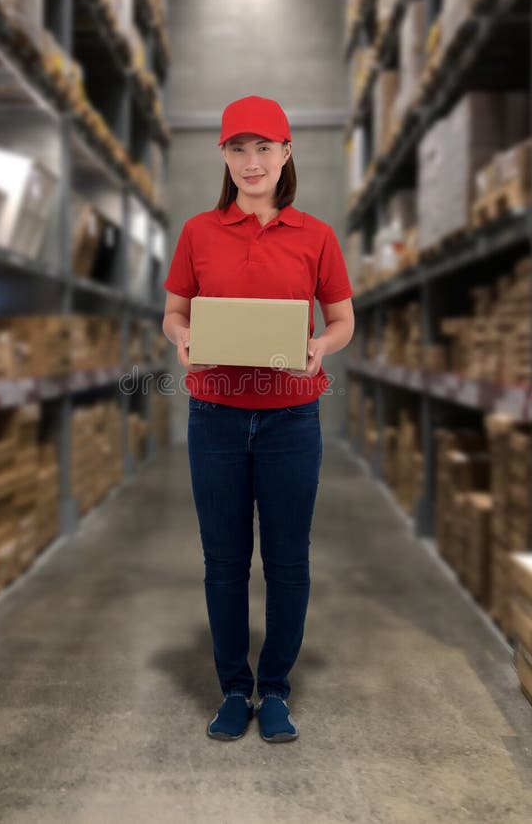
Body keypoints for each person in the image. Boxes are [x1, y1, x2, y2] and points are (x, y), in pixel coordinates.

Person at [161, 95, 354, 743]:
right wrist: (180, 339)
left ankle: (274, 688)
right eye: (238, 149)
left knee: (287, 561)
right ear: (223, 155)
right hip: (215, 417)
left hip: (291, 419)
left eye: (264, 147)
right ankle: (232, 689)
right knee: (223, 561)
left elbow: (343, 320)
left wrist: (319, 347)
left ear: (286, 152)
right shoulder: (198, 233)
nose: (252, 162)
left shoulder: (316, 237)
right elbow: (174, 311)